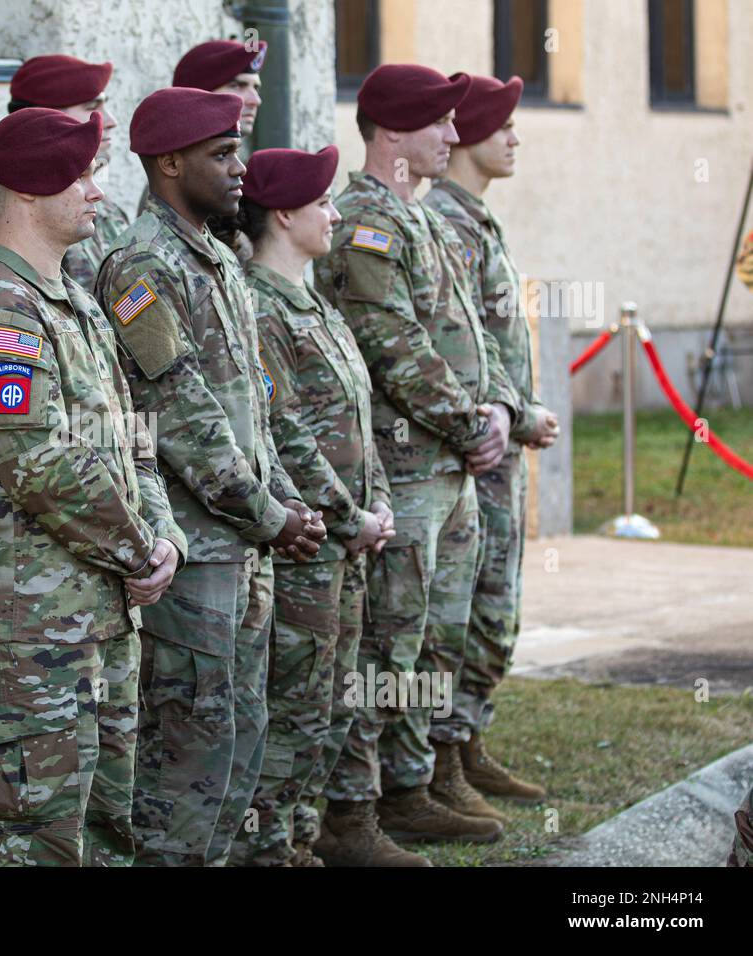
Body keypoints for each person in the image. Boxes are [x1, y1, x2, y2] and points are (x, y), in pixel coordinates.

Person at [0, 107, 187, 866]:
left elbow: (132, 437)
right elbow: (41, 464)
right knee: (30, 835)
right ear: (29, 187)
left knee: (106, 823)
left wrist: (163, 536)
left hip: (103, 611)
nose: (97, 193)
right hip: (32, 626)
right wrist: (142, 549)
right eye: (79, 176)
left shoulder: (73, 302)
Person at [96, 87, 327, 866]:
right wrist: (271, 515)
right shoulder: (141, 267)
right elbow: (183, 416)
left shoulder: (218, 258)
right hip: (199, 551)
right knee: (187, 751)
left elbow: (253, 403)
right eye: (222, 155)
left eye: (238, 151)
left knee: (239, 733)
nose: (241, 169)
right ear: (169, 162)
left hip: (246, 545)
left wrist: (286, 501)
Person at [314, 63, 519, 855]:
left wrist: (497, 405)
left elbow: (473, 334)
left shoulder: (423, 217)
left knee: (437, 637)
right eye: (438, 123)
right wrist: (471, 422)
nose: (451, 135)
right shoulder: (368, 221)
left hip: (450, 468)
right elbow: (393, 345)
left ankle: (420, 777)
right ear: (395, 132)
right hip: (406, 472)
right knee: (388, 645)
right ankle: (361, 808)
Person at [221, 147, 410, 867]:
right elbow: (285, 432)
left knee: (331, 706)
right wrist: (345, 513)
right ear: (286, 214)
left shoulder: (314, 304)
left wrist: (379, 502)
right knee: (294, 709)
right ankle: (271, 845)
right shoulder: (260, 307)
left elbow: (359, 420)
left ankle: (300, 838)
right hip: (307, 545)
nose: (335, 214)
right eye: (323, 203)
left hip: (347, 543)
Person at [424, 74, 560, 808]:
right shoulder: (445, 223)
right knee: (466, 603)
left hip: (502, 441)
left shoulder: (473, 219)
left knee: (495, 601)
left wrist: (522, 408)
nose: (514, 138)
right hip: (476, 446)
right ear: (470, 137)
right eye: (502, 126)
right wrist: (511, 412)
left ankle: (468, 739)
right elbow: (451, 347)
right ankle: (441, 757)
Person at [0, 54, 128, 288]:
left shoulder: (108, 209)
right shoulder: (10, 212)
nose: (110, 121)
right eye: (91, 107)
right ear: (44, 118)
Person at [134, 38, 268, 228]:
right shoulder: (184, 188)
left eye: (255, 87)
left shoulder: (227, 176)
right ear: (196, 95)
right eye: (237, 86)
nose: (255, 100)